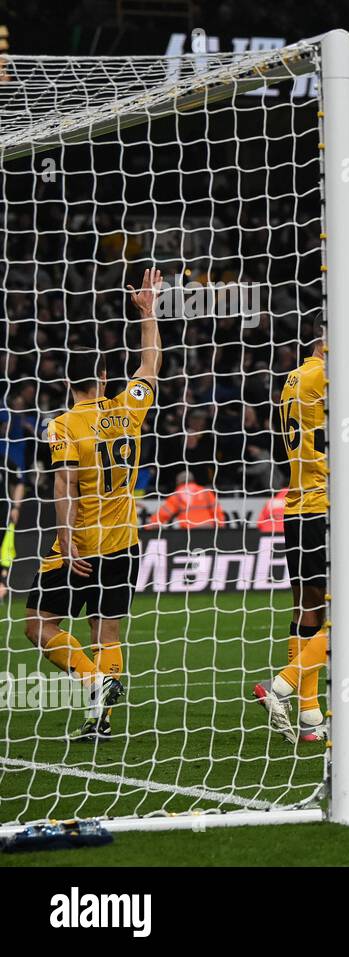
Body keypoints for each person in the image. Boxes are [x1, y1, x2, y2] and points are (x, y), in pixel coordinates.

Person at [24, 267, 162, 740]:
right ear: (104, 378)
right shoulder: (129, 408)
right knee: (108, 633)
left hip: (80, 544)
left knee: (38, 626)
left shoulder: (62, 425)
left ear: (69, 383)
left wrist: (65, 537)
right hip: (124, 543)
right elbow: (150, 366)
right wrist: (148, 313)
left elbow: (63, 484)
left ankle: (92, 682)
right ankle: (99, 715)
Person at [253, 329, 349, 743]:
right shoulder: (329, 379)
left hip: (296, 509)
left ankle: (310, 717)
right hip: (329, 511)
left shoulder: (293, 378)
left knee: (309, 613)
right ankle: (280, 685)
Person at [145, 471, 226, 529]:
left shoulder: (178, 495)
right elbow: (217, 512)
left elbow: (163, 514)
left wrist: (149, 527)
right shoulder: (206, 492)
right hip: (208, 530)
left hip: (188, 531)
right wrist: (221, 527)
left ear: (178, 482)